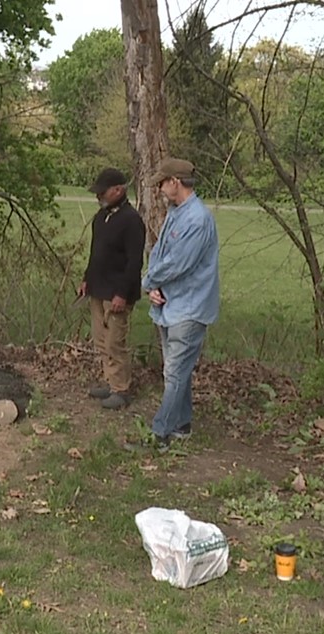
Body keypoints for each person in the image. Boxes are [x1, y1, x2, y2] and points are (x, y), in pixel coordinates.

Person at [140, 157, 220, 452]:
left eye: (162, 183)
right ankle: (181, 425)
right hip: (170, 303)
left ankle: (159, 433)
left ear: (176, 182)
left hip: (190, 307)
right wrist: (155, 287)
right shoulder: (177, 212)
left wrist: (149, 281)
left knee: (174, 371)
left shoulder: (198, 219)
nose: (160, 189)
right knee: (177, 370)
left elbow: (179, 263)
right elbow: (161, 253)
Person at [78, 167, 146, 410]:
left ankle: (121, 389)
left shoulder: (131, 220)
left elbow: (134, 262)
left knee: (115, 342)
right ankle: (109, 381)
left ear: (118, 190)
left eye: (103, 192)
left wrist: (122, 293)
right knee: (101, 340)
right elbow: (95, 253)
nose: (99, 196)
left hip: (117, 292)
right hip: (97, 287)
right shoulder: (100, 217)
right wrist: (87, 278)